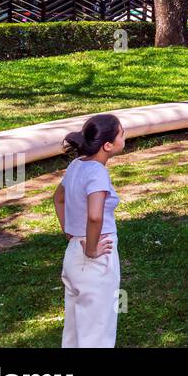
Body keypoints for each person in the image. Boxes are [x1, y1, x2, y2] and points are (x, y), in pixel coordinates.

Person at [54, 113, 125, 348]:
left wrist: (70, 231)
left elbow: (59, 197)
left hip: (74, 253)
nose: (124, 136)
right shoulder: (97, 173)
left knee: (74, 334)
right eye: (121, 133)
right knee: (97, 335)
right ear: (107, 145)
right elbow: (95, 216)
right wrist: (93, 249)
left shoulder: (76, 165)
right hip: (96, 257)